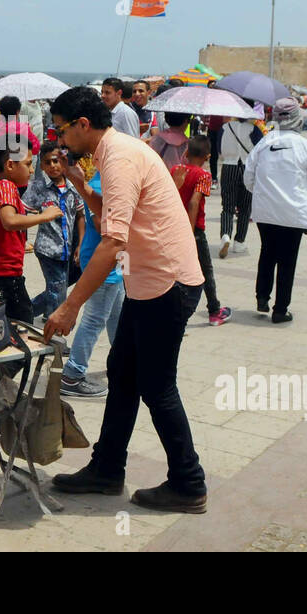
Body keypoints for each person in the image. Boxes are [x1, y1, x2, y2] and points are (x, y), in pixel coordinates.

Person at [45, 85, 208, 513]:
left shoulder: (119, 158)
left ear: (83, 125)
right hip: (149, 282)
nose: (59, 139)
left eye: (61, 130)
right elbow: (111, 220)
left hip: (167, 284)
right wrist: (81, 185)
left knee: (157, 385)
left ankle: (189, 483)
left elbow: (112, 241)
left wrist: (70, 305)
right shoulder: (112, 153)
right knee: (122, 371)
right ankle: (107, 468)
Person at [243, 97, 307, 324]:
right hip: (294, 213)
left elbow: (248, 176)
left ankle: (262, 296)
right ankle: (280, 309)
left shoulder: (264, 143)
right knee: (287, 259)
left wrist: (263, 193)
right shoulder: (305, 145)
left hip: (265, 212)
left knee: (267, 252)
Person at [57, 159, 122, 398]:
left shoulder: (109, 182)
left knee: (117, 315)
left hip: (114, 263)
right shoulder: (99, 185)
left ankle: (123, 359)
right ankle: (72, 375)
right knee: (95, 319)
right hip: (103, 265)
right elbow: (103, 225)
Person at [0, 148, 61, 323]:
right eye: (28, 164)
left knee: (3, 328)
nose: (32, 170)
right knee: (21, 327)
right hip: (2, 278)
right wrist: (45, 216)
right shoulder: (6, 187)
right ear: (10, 165)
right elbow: (9, 221)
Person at [173, 135, 231, 325]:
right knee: (206, 270)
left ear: (186, 152)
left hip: (173, 227)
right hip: (194, 230)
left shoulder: (176, 170)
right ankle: (214, 310)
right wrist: (189, 233)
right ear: (208, 157)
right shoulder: (203, 176)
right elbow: (194, 202)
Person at [22, 142, 83, 321]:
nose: (53, 166)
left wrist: (81, 244)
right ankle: (51, 320)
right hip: (47, 250)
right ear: (41, 165)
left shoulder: (74, 186)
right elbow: (21, 212)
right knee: (57, 285)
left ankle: (29, 311)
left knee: (59, 286)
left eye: (56, 161)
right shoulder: (38, 188)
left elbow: (80, 216)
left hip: (67, 249)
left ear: (63, 162)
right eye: (47, 162)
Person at [217, 112, 263, 257]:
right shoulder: (254, 129)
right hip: (247, 168)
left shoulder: (224, 127)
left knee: (227, 207)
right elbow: (260, 150)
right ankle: (239, 242)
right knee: (245, 208)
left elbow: (219, 150)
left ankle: (225, 235)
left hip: (228, 167)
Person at [0, 96, 40, 181]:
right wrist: (30, 131)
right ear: (17, 111)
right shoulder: (23, 128)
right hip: (18, 172)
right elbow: (35, 149)